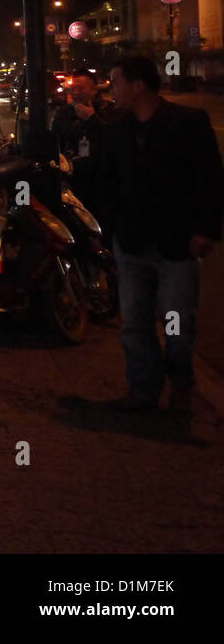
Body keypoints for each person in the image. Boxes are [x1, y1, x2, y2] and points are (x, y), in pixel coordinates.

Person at [98, 56, 223, 415]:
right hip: (132, 241)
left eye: (116, 82)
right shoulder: (116, 128)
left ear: (138, 86)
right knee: (134, 322)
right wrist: (109, 232)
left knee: (177, 324)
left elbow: (209, 180)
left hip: (177, 243)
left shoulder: (188, 123)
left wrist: (206, 230)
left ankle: (182, 386)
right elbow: (107, 184)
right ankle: (142, 390)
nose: (112, 89)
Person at [52, 73, 110, 211]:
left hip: (100, 181)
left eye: (82, 89)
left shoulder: (106, 110)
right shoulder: (64, 112)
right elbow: (56, 137)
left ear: (94, 90)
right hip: (72, 179)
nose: (76, 93)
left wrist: (92, 119)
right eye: (73, 89)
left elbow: (113, 139)